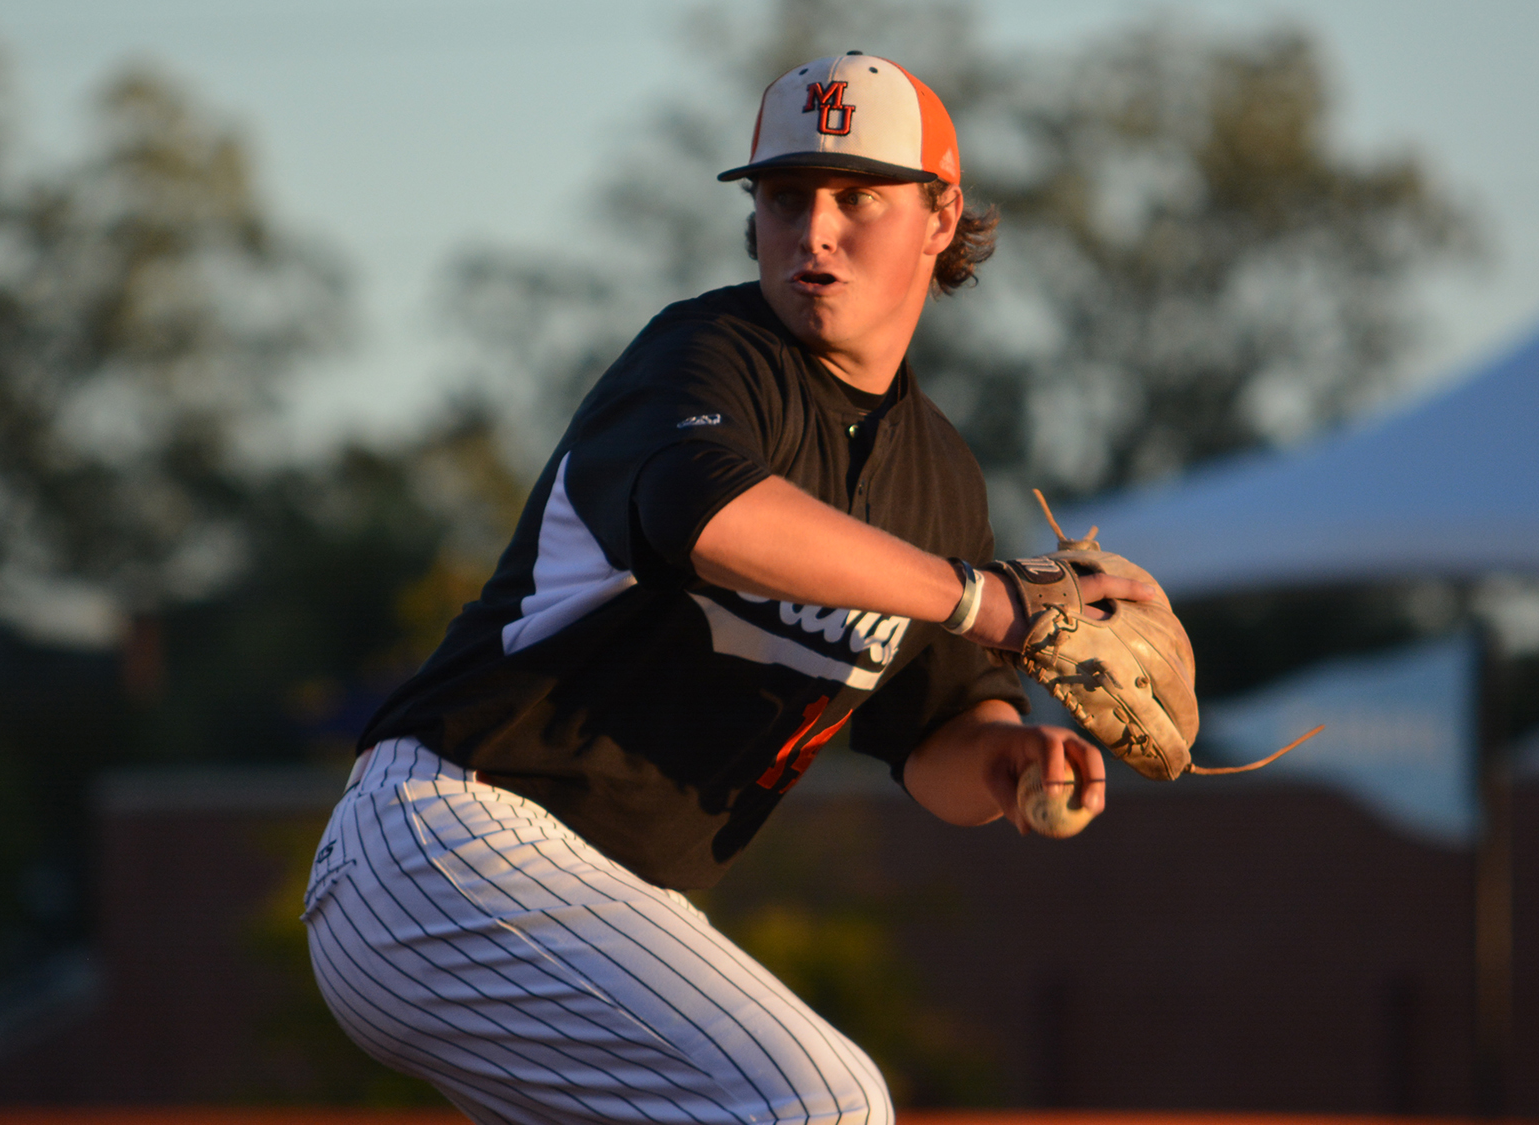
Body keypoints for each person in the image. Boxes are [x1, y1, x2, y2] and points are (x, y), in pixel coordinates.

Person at [301, 51, 1156, 1125]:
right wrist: (986, 601)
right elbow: (709, 518)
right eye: (785, 197)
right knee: (815, 1103)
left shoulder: (936, 481)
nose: (815, 231)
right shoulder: (706, 358)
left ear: (940, 217)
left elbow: (930, 730)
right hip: (449, 842)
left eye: (858, 198)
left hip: (594, 898)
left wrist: (1012, 755)